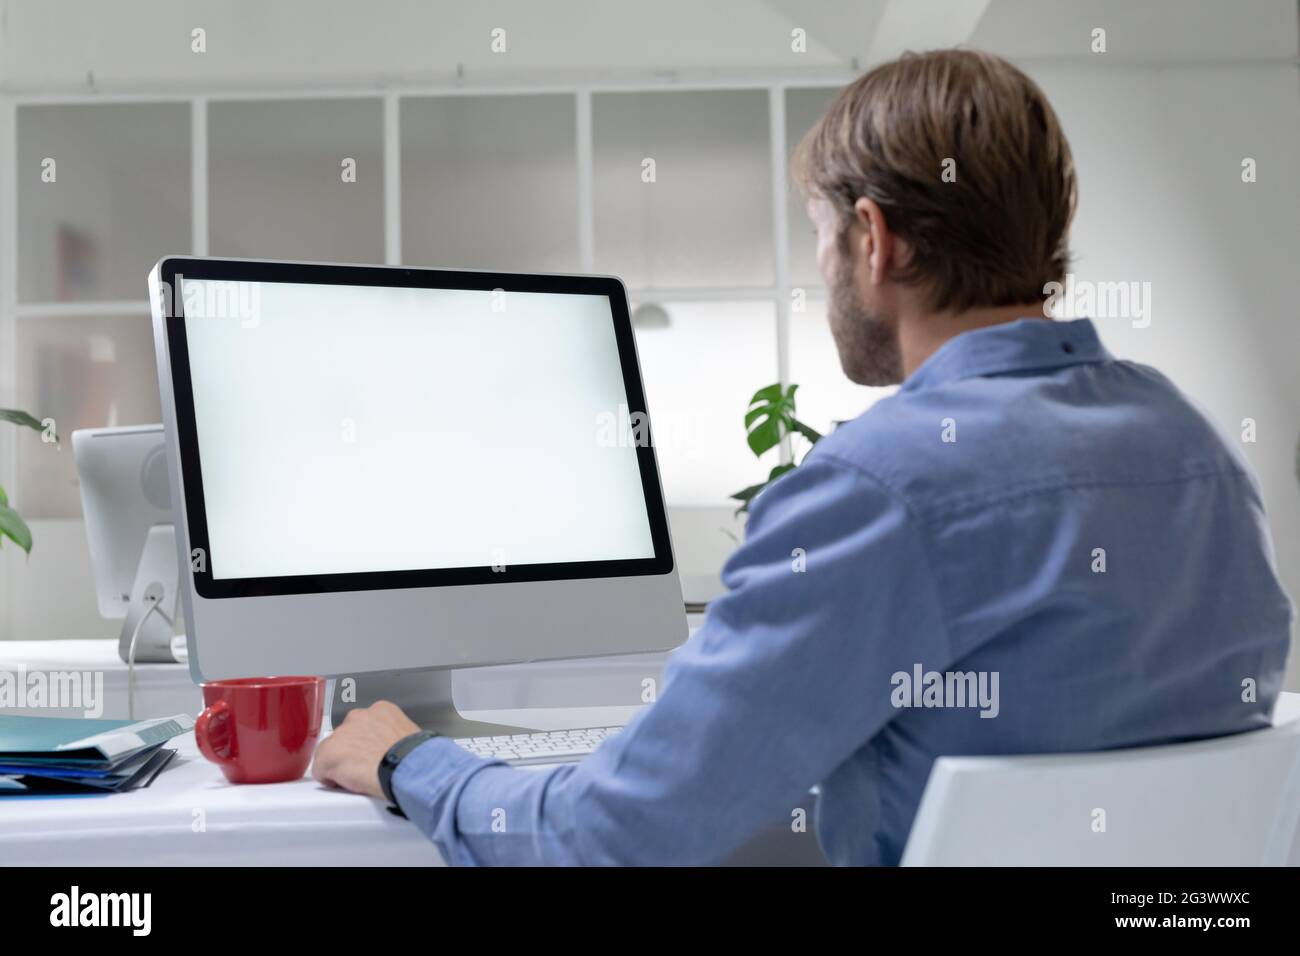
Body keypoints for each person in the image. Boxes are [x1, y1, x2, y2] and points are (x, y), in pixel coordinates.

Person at [310, 49, 1293, 866]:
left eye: (820, 236)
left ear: (873, 240)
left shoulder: (881, 487)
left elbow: (611, 835)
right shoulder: (1197, 454)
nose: (823, 270)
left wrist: (409, 759)